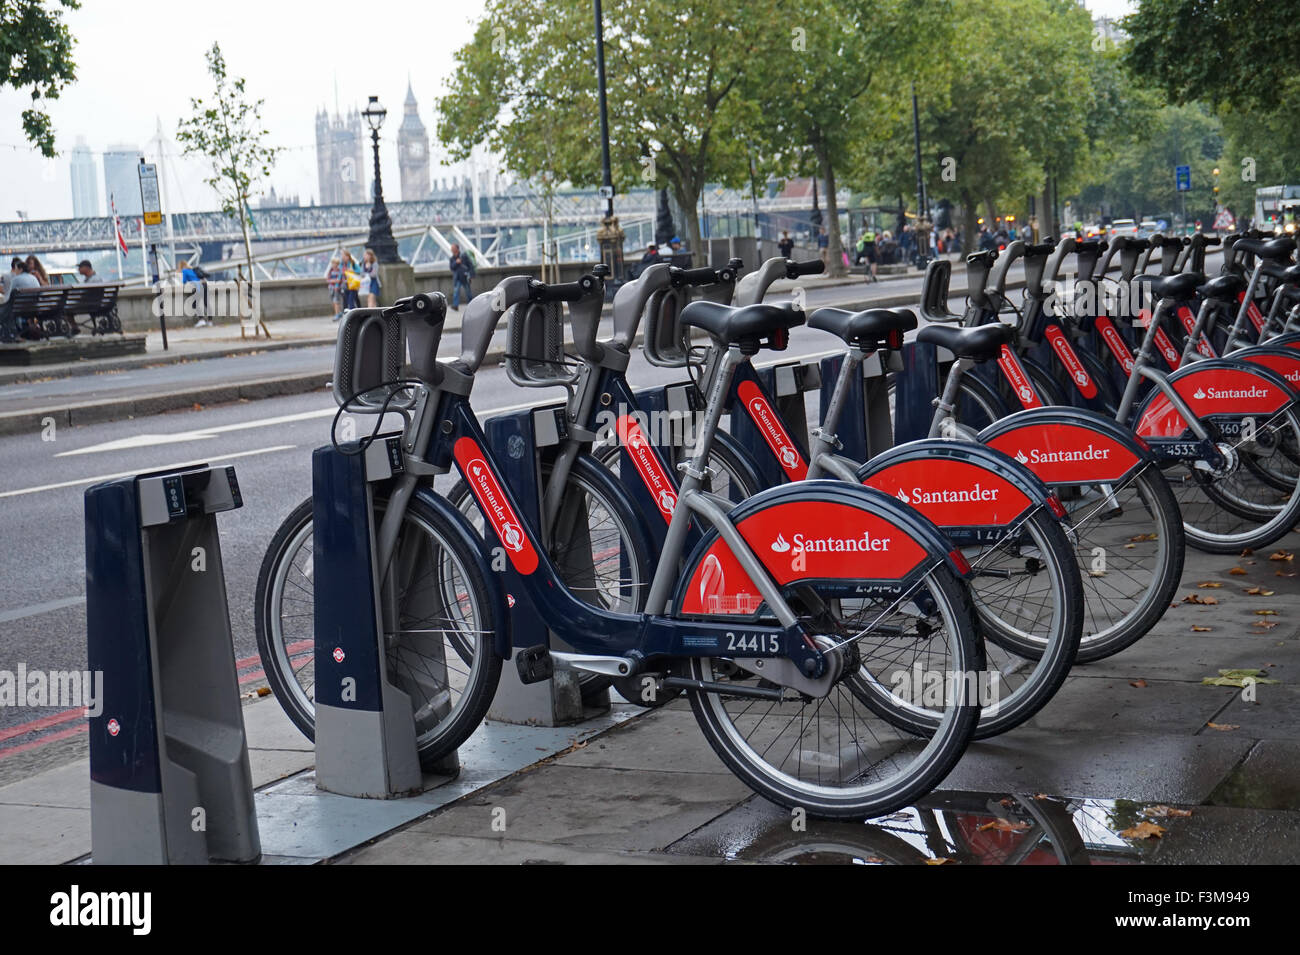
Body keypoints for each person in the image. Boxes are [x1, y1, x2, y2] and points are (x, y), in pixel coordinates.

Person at [449, 243, 474, 309]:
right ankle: (455, 305)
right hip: (457, 278)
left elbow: (470, 265)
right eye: (451, 248)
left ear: (457, 249)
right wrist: (456, 262)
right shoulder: (452, 258)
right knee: (456, 292)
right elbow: (451, 267)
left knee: (468, 292)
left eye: (453, 248)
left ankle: (471, 304)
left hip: (465, 277)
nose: (451, 249)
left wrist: (471, 275)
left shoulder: (464, 256)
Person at [325, 255, 345, 321]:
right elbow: (328, 279)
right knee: (334, 302)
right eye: (333, 263)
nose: (334, 265)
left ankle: (337, 314)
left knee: (336, 301)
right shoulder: (330, 271)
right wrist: (334, 281)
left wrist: (337, 282)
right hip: (331, 288)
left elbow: (341, 280)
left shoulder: (340, 271)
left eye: (335, 263)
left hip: (337, 289)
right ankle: (339, 313)